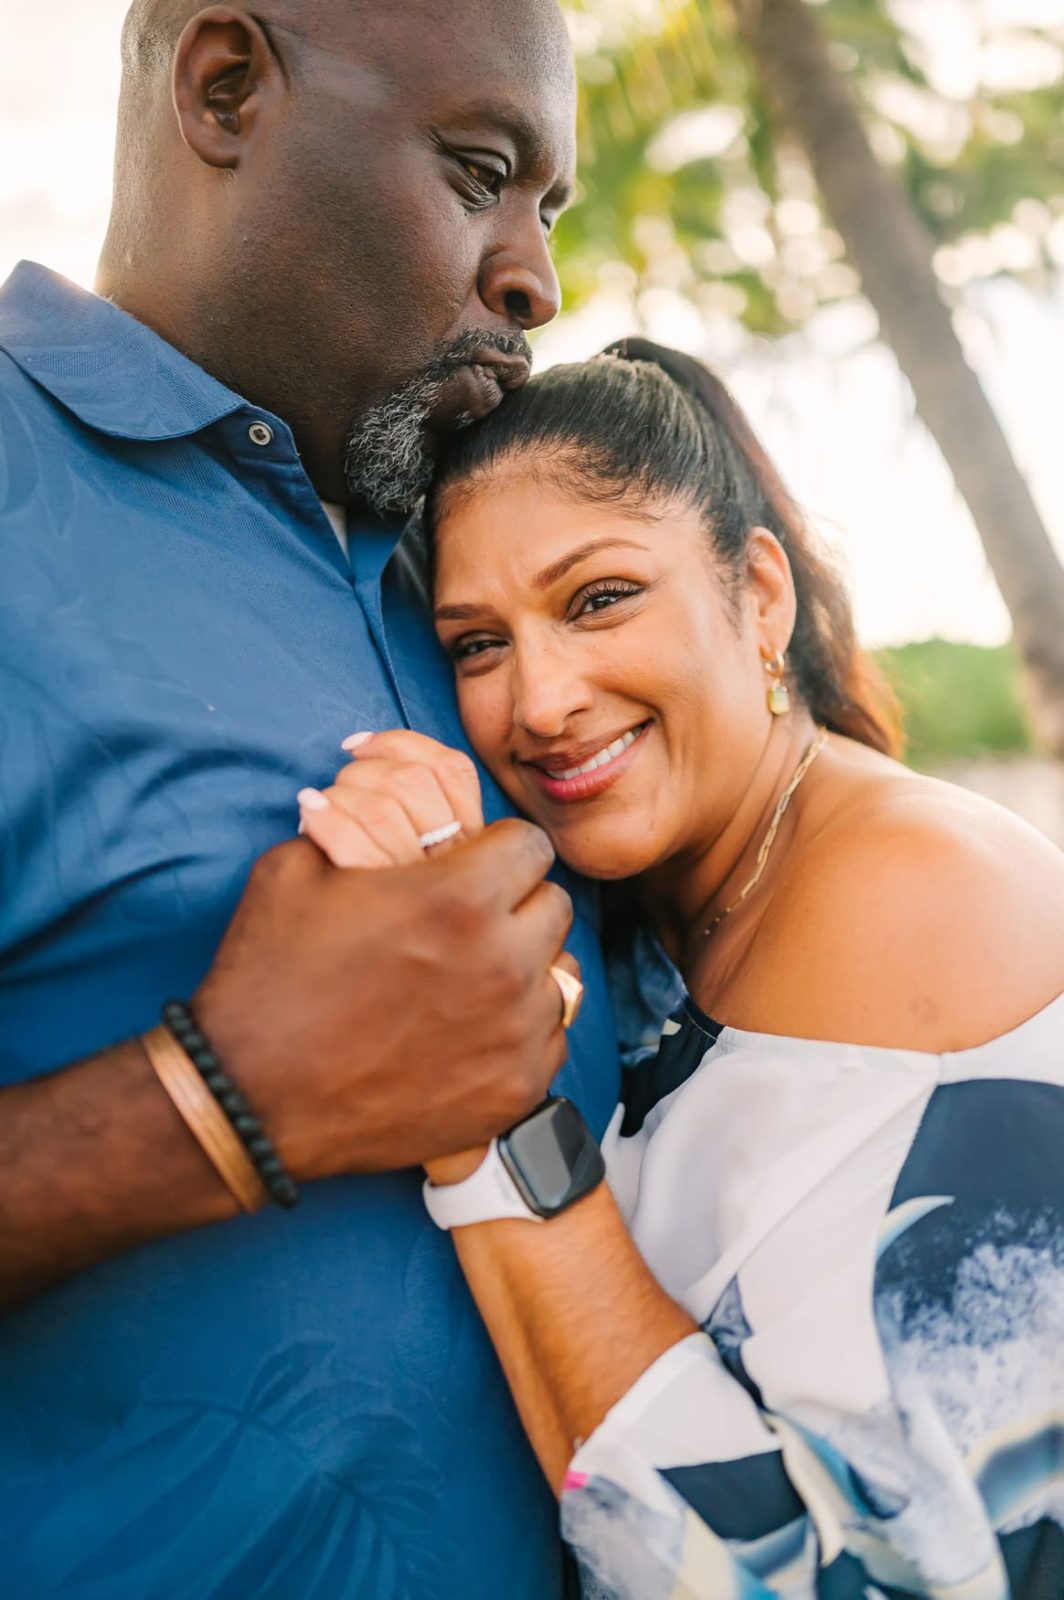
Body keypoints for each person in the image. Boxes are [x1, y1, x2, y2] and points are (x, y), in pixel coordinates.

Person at [0, 3, 626, 1596]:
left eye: (546, 211)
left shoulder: (484, 572)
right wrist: (221, 1099)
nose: (533, 278)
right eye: (481, 171)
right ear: (227, 89)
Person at [299, 341, 1064, 1596]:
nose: (539, 700)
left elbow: (835, 1574)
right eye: (477, 643)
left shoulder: (920, 903)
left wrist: (481, 1107)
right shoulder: (664, 909)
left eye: (598, 598)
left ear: (758, 596)